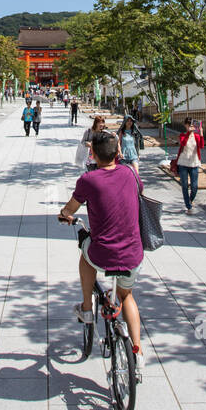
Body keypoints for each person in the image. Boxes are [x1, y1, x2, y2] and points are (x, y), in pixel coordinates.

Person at [58, 129, 145, 380]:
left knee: (85, 253)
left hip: (102, 253)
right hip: (132, 254)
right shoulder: (130, 173)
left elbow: (70, 208)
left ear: (92, 154)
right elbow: (138, 191)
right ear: (119, 153)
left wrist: (65, 214)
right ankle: (137, 353)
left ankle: (87, 307)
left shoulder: (89, 180)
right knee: (126, 296)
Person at [175, 116, 204, 211]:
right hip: (183, 163)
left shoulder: (196, 136)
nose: (190, 127)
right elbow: (183, 143)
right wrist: (189, 133)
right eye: (188, 125)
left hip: (194, 163)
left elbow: (201, 146)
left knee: (194, 186)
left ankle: (190, 199)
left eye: (192, 125)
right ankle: (188, 204)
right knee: (184, 184)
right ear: (185, 125)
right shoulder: (183, 135)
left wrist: (201, 134)